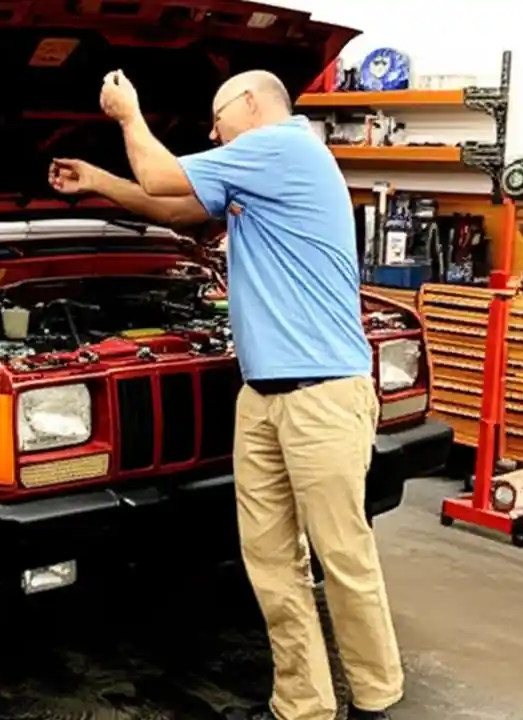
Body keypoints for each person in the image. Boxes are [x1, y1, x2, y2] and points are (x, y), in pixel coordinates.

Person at [49, 70, 402, 720]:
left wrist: (129, 114)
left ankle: (378, 699)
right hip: (262, 396)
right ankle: (303, 703)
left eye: (216, 120)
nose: (212, 133)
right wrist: (98, 181)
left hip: (322, 395)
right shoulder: (255, 169)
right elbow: (173, 208)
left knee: (342, 556)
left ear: (248, 105)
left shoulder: (285, 148)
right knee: (270, 562)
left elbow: (161, 175)